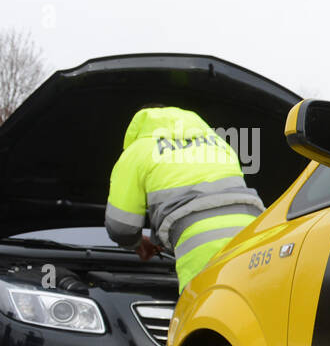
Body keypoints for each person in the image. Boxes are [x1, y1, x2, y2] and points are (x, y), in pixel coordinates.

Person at [104, 106, 265, 292]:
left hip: (199, 243)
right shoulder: (220, 144)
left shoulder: (138, 151)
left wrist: (139, 244)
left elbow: (121, 227)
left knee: (203, 313)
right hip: (254, 235)